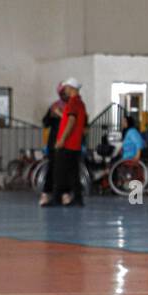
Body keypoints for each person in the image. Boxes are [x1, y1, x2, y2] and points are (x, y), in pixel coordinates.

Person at [48, 78, 87, 207]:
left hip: (67, 144)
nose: (64, 90)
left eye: (65, 88)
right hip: (75, 144)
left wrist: (62, 140)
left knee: (59, 172)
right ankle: (78, 199)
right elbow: (73, 119)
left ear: (71, 88)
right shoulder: (80, 103)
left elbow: (71, 121)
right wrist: (60, 113)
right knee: (73, 173)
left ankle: (56, 199)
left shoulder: (72, 103)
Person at [39, 84, 66, 207]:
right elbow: (45, 123)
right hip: (54, 143)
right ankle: (46, 194)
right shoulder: (54, 107)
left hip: (67, 143)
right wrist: (51, 115)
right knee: (52, 168)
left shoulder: (73, 107)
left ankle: (64, 194)